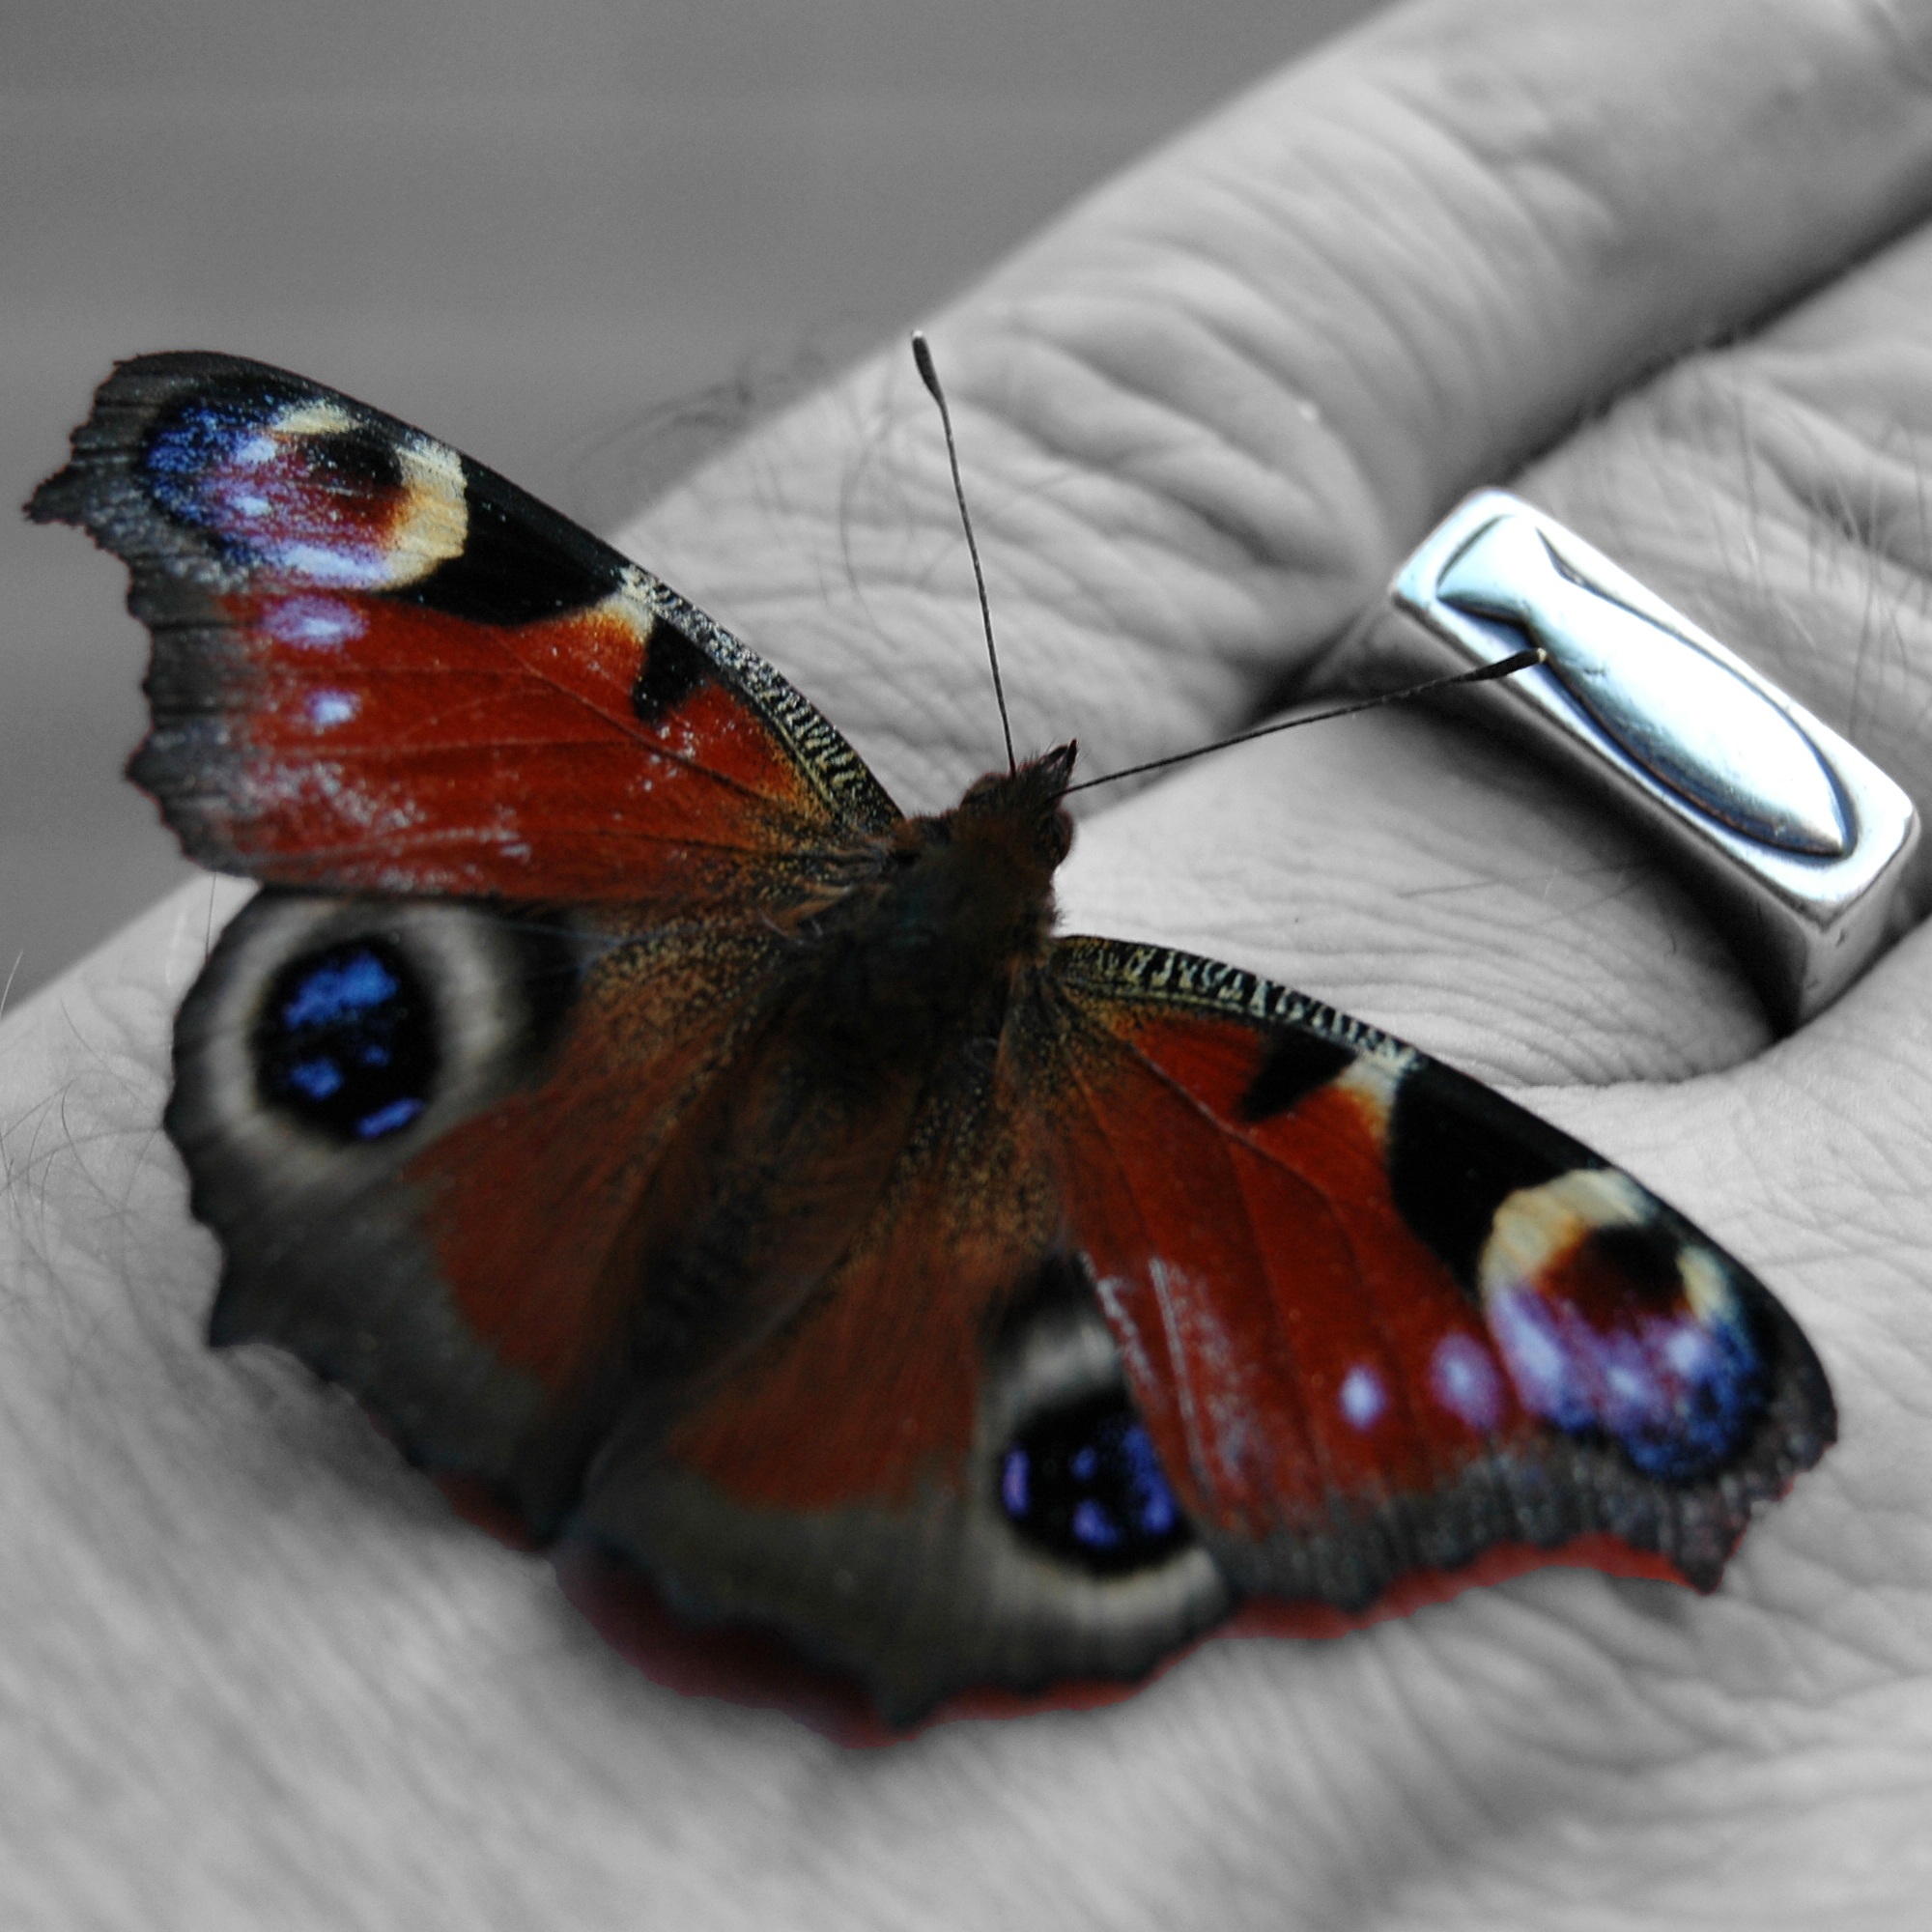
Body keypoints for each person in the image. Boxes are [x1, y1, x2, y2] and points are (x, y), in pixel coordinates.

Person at [7, 0, 1929, 1920]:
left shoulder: (714, 767)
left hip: (535, 1086)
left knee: (451, 972)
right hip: (916, 1347)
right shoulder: (1220, 1082)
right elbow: (1484, 1265)